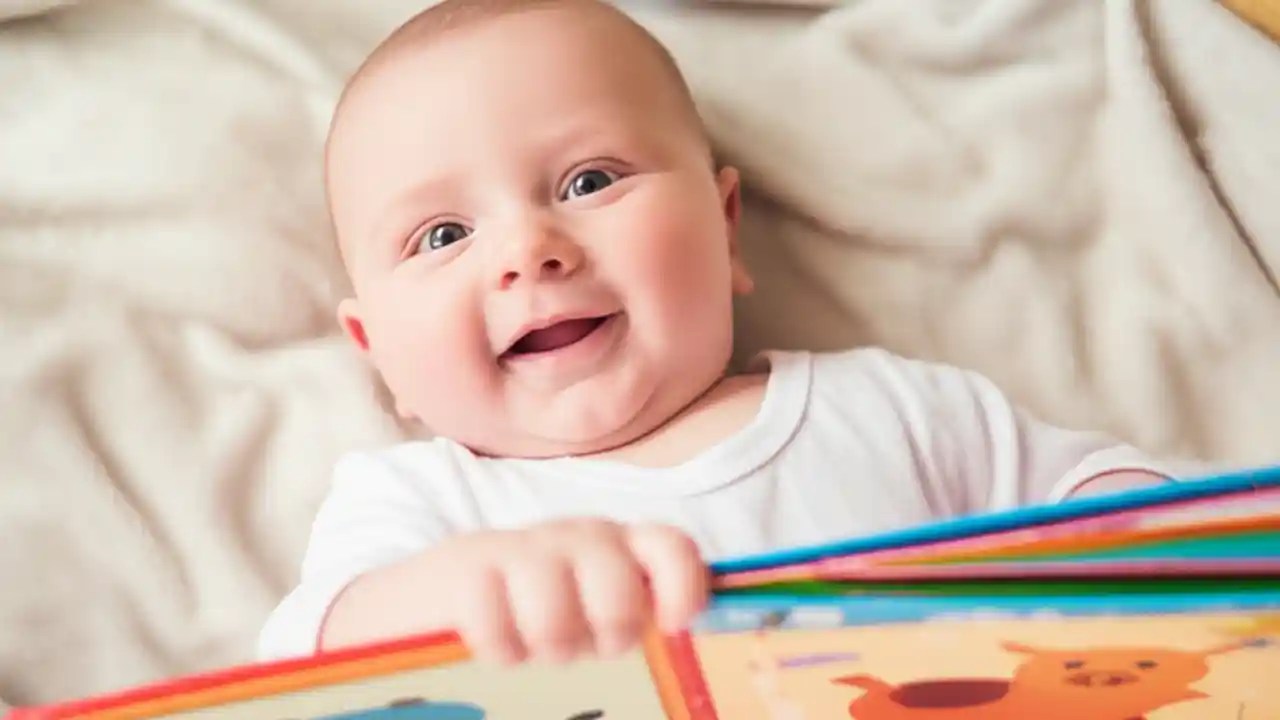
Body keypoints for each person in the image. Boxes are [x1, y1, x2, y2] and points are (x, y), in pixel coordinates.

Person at [257, 0, 1180, 666]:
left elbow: (1106, 509)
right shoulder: (425, 506)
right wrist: (459, 595)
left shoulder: (888, 407)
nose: (527, 251)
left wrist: (1150, 517)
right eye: (443, 237)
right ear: (381, 358)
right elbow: (305, 652)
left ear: (725, 227)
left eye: (588, 182)